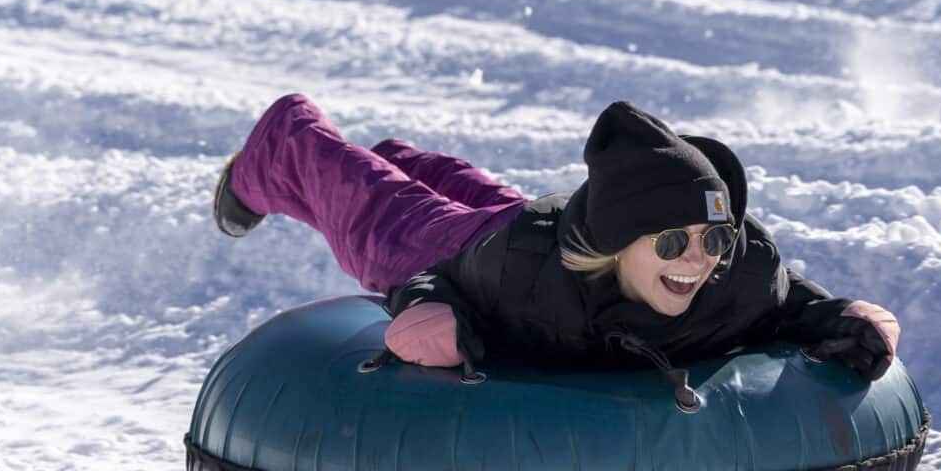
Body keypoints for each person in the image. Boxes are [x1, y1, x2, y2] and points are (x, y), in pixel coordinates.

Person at [213, 94, 900, 407]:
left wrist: (846, 321)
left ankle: (400, 159)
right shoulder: (525, 283)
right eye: (671, 240)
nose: (698, 260)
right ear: (617, 243)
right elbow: (437, 276)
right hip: (486, 248)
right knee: (378, 224)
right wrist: (431, 313)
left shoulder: (738, 273)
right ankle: (286, 140)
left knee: (497, 205)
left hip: (539, 225)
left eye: (713, 238)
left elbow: (791, 304)